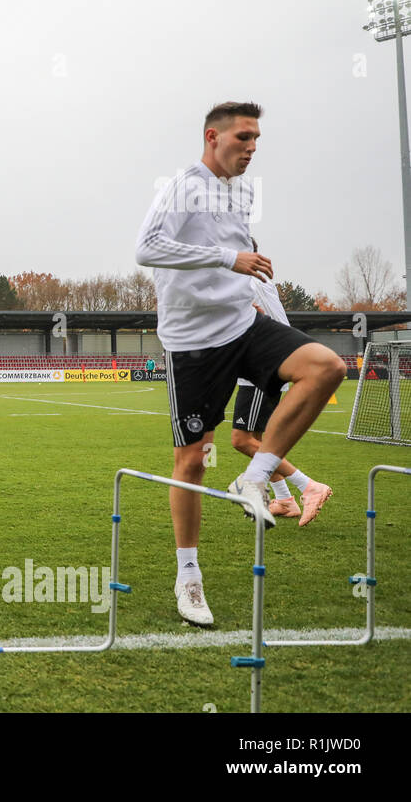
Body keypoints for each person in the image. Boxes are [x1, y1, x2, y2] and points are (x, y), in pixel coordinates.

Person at [135, 102, 346, 627]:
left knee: (326, 368)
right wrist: (230, 260)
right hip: (192, 341)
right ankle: (188, 577)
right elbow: (147, 248)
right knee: (193, 460)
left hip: (241, 323)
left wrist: (245, 279)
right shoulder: (183, 186)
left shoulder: (245, 190)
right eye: (243, 138)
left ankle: (254, 479)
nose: (252, 148)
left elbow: (232, 247)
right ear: (213, 137)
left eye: (257, 139)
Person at [229, 239, 332, 525]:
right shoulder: (253, 280)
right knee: (261, 441)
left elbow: (250, 318)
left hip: (264, 367)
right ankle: (285, 500)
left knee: (243, 440)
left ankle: (309, 486)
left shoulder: (246, 281)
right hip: (265, 365)